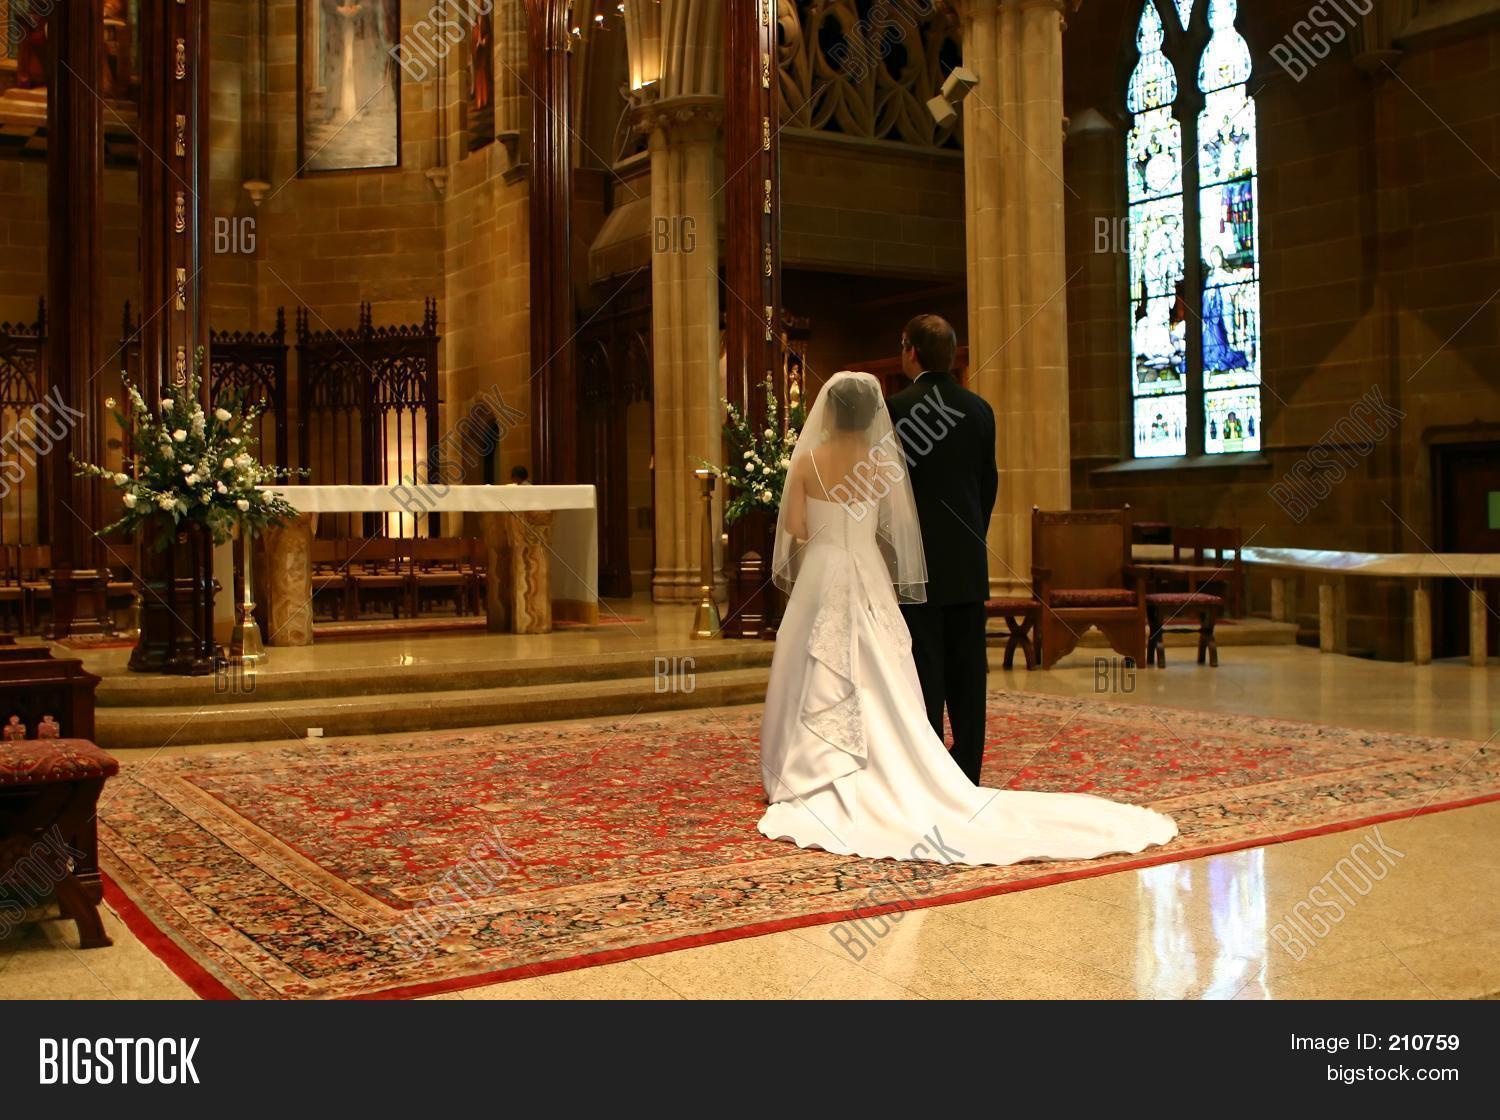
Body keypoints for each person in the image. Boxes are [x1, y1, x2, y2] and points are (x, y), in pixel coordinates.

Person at [757, 370, 1176, 866]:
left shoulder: (806, 461)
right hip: (867, 574)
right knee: (880, 664)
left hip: (823, 573)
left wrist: (828, 534)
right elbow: (895, 527)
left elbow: (796, 529)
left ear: (827, 411)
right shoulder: (879, 462)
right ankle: (898, 760)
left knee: (816, 661)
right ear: (872, 415)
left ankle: (811, 765)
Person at [886, 315, 995, 785]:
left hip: (918, 567)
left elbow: (885, 492)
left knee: (925, 668)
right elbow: (988, 485)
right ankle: (968, 768)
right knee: (969, 673)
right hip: (969, 563)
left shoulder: (894, 410)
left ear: (910, 350)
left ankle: (931, 776)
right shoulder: (979, 409)